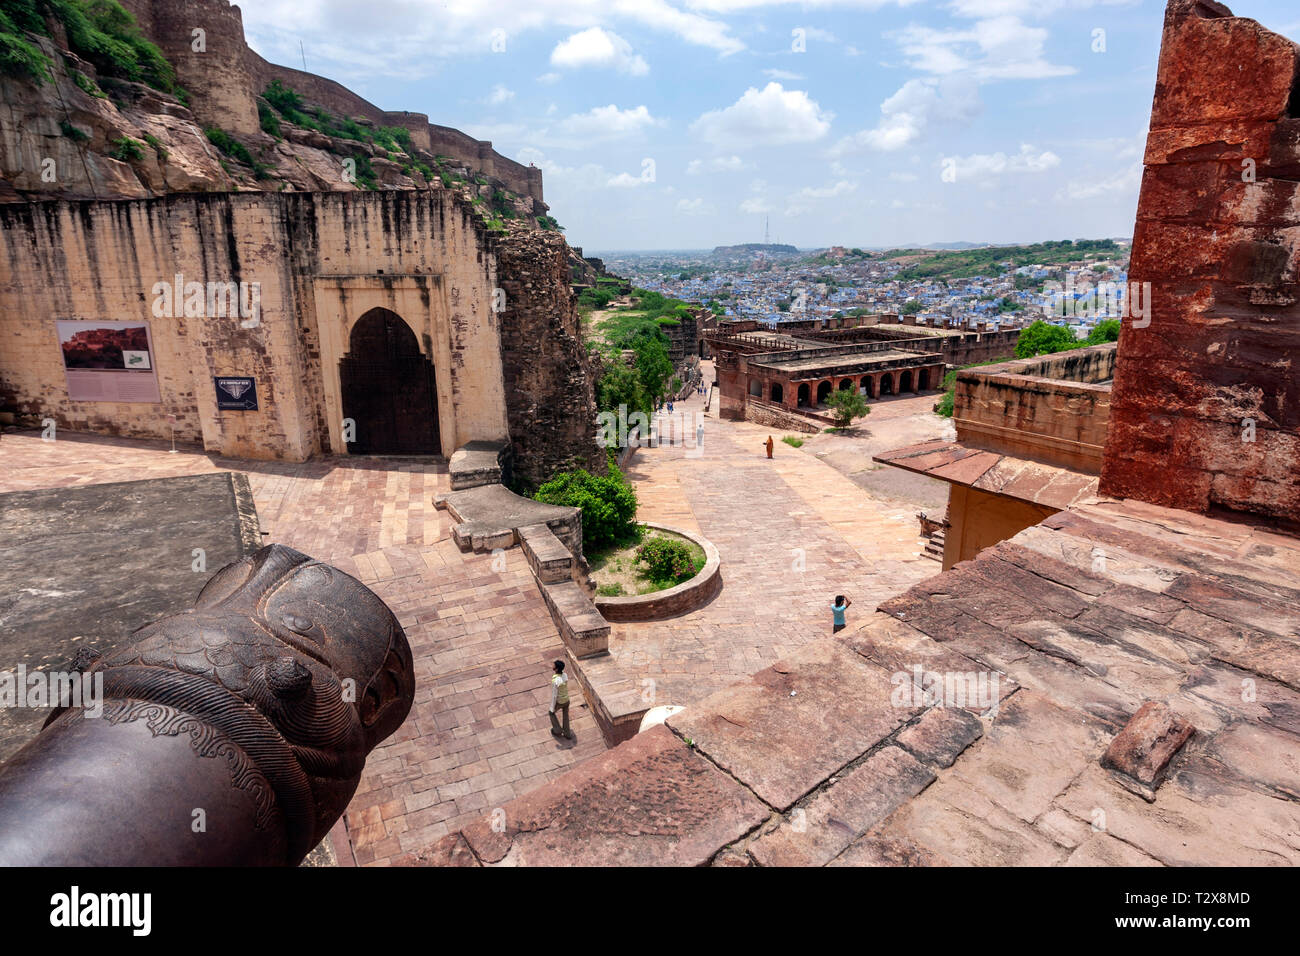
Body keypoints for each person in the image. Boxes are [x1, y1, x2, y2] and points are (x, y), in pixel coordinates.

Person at [548, 659, 574, 739]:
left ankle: (557, 730)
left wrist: (552, 707)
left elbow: (554, 695)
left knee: (551, 713)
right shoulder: (565, 675)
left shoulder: (556, 680)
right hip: (567, 700)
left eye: (554, 665)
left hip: (560, 701)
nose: (552, 666)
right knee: (565, 715)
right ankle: (567, 733)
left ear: (556, 669)